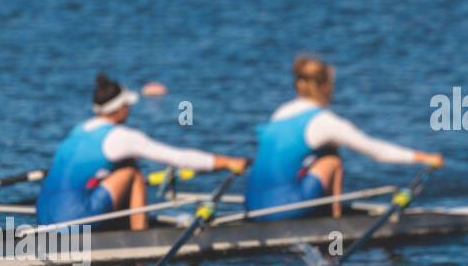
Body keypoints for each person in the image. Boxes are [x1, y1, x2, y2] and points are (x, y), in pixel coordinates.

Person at [37, 74, 248, 230]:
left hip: (44, 216)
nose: (129, 109)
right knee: (132, 173)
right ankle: (139, 235)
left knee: (118, 168)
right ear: (120, 108)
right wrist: (228, 162)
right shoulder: (121, 137)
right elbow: (178, 158)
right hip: (74, 220)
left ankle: (115, 225)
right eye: (127, 104)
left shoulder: (79, 130)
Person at [246, 55, 443, 220]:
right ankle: (335, 221)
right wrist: (425, 158)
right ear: (325, 86)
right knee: (331, 157)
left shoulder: (280, 112)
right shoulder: (325, 122)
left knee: (316, 154)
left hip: (252, 206)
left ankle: (318, 209)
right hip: (283, 207)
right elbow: (377, 152)